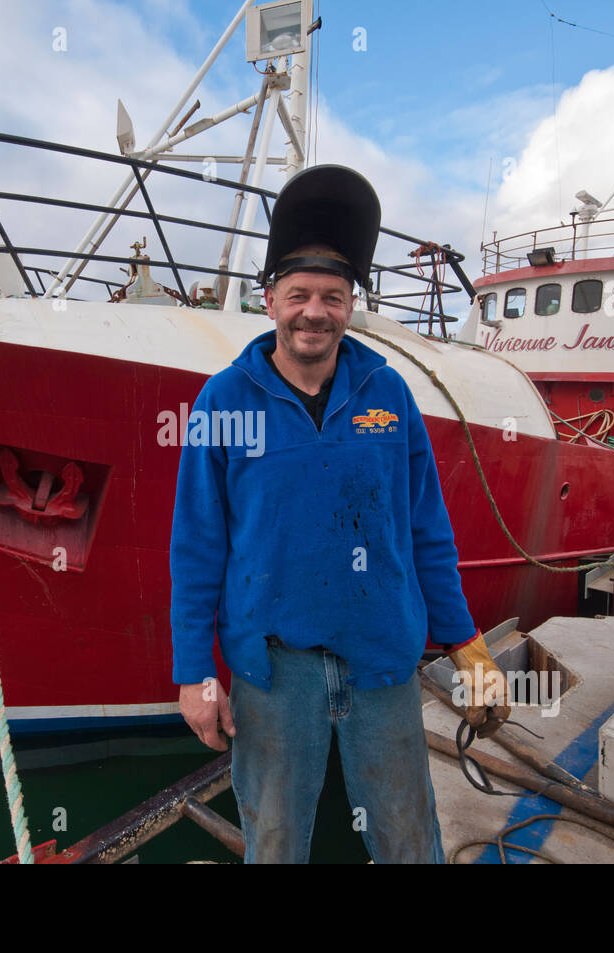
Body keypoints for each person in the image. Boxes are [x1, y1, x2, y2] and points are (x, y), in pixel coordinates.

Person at [168, 164, 509, 863]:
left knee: (407, 835)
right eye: (298, 295)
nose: (313, 311)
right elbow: (197, 547)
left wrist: (466, 645)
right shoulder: (223, 402)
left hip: (382, 655)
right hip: (274, 669)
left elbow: (426, 534)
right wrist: (193, 674)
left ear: (350, 305)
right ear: (270, 302)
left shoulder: (391, 397)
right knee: (274, 837)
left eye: (331, 295)